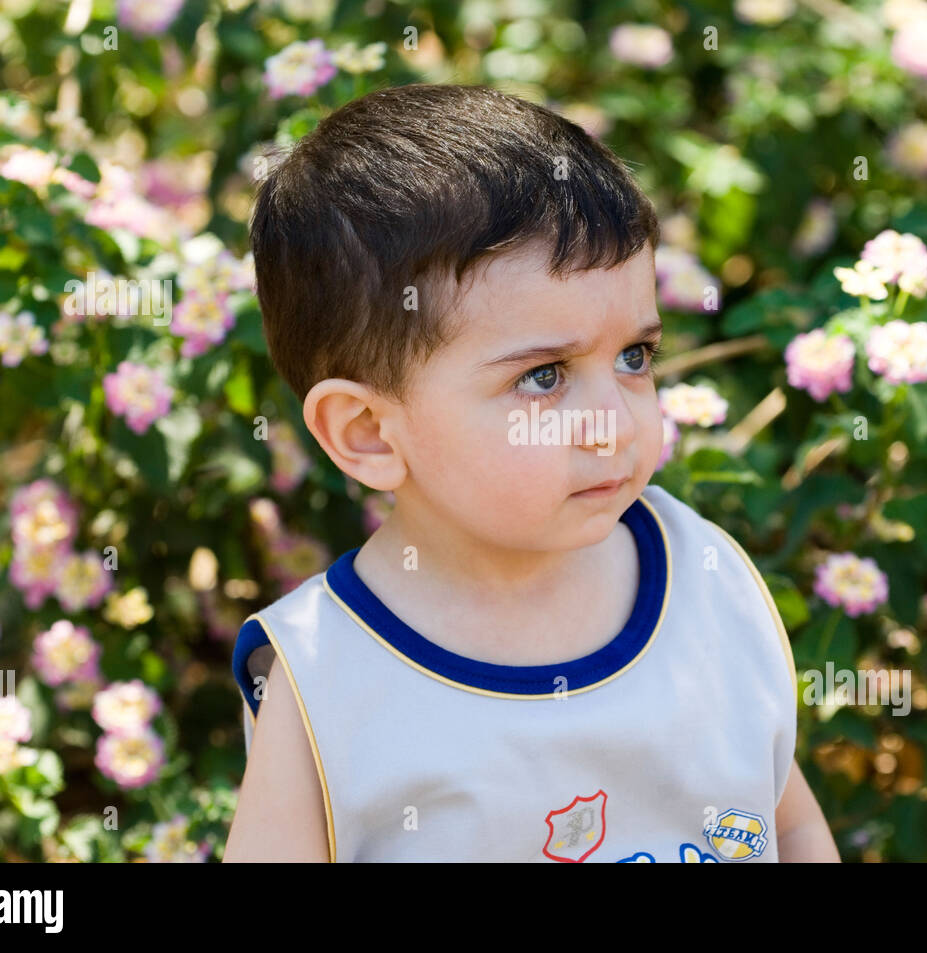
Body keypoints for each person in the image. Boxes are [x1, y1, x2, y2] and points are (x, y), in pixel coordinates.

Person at [223, 83, 838, 863]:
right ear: (370, 432)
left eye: (635, 357)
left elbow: (786, 823)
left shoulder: (705, 579)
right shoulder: (329, 676)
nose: (614, 422)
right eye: (544, 376)